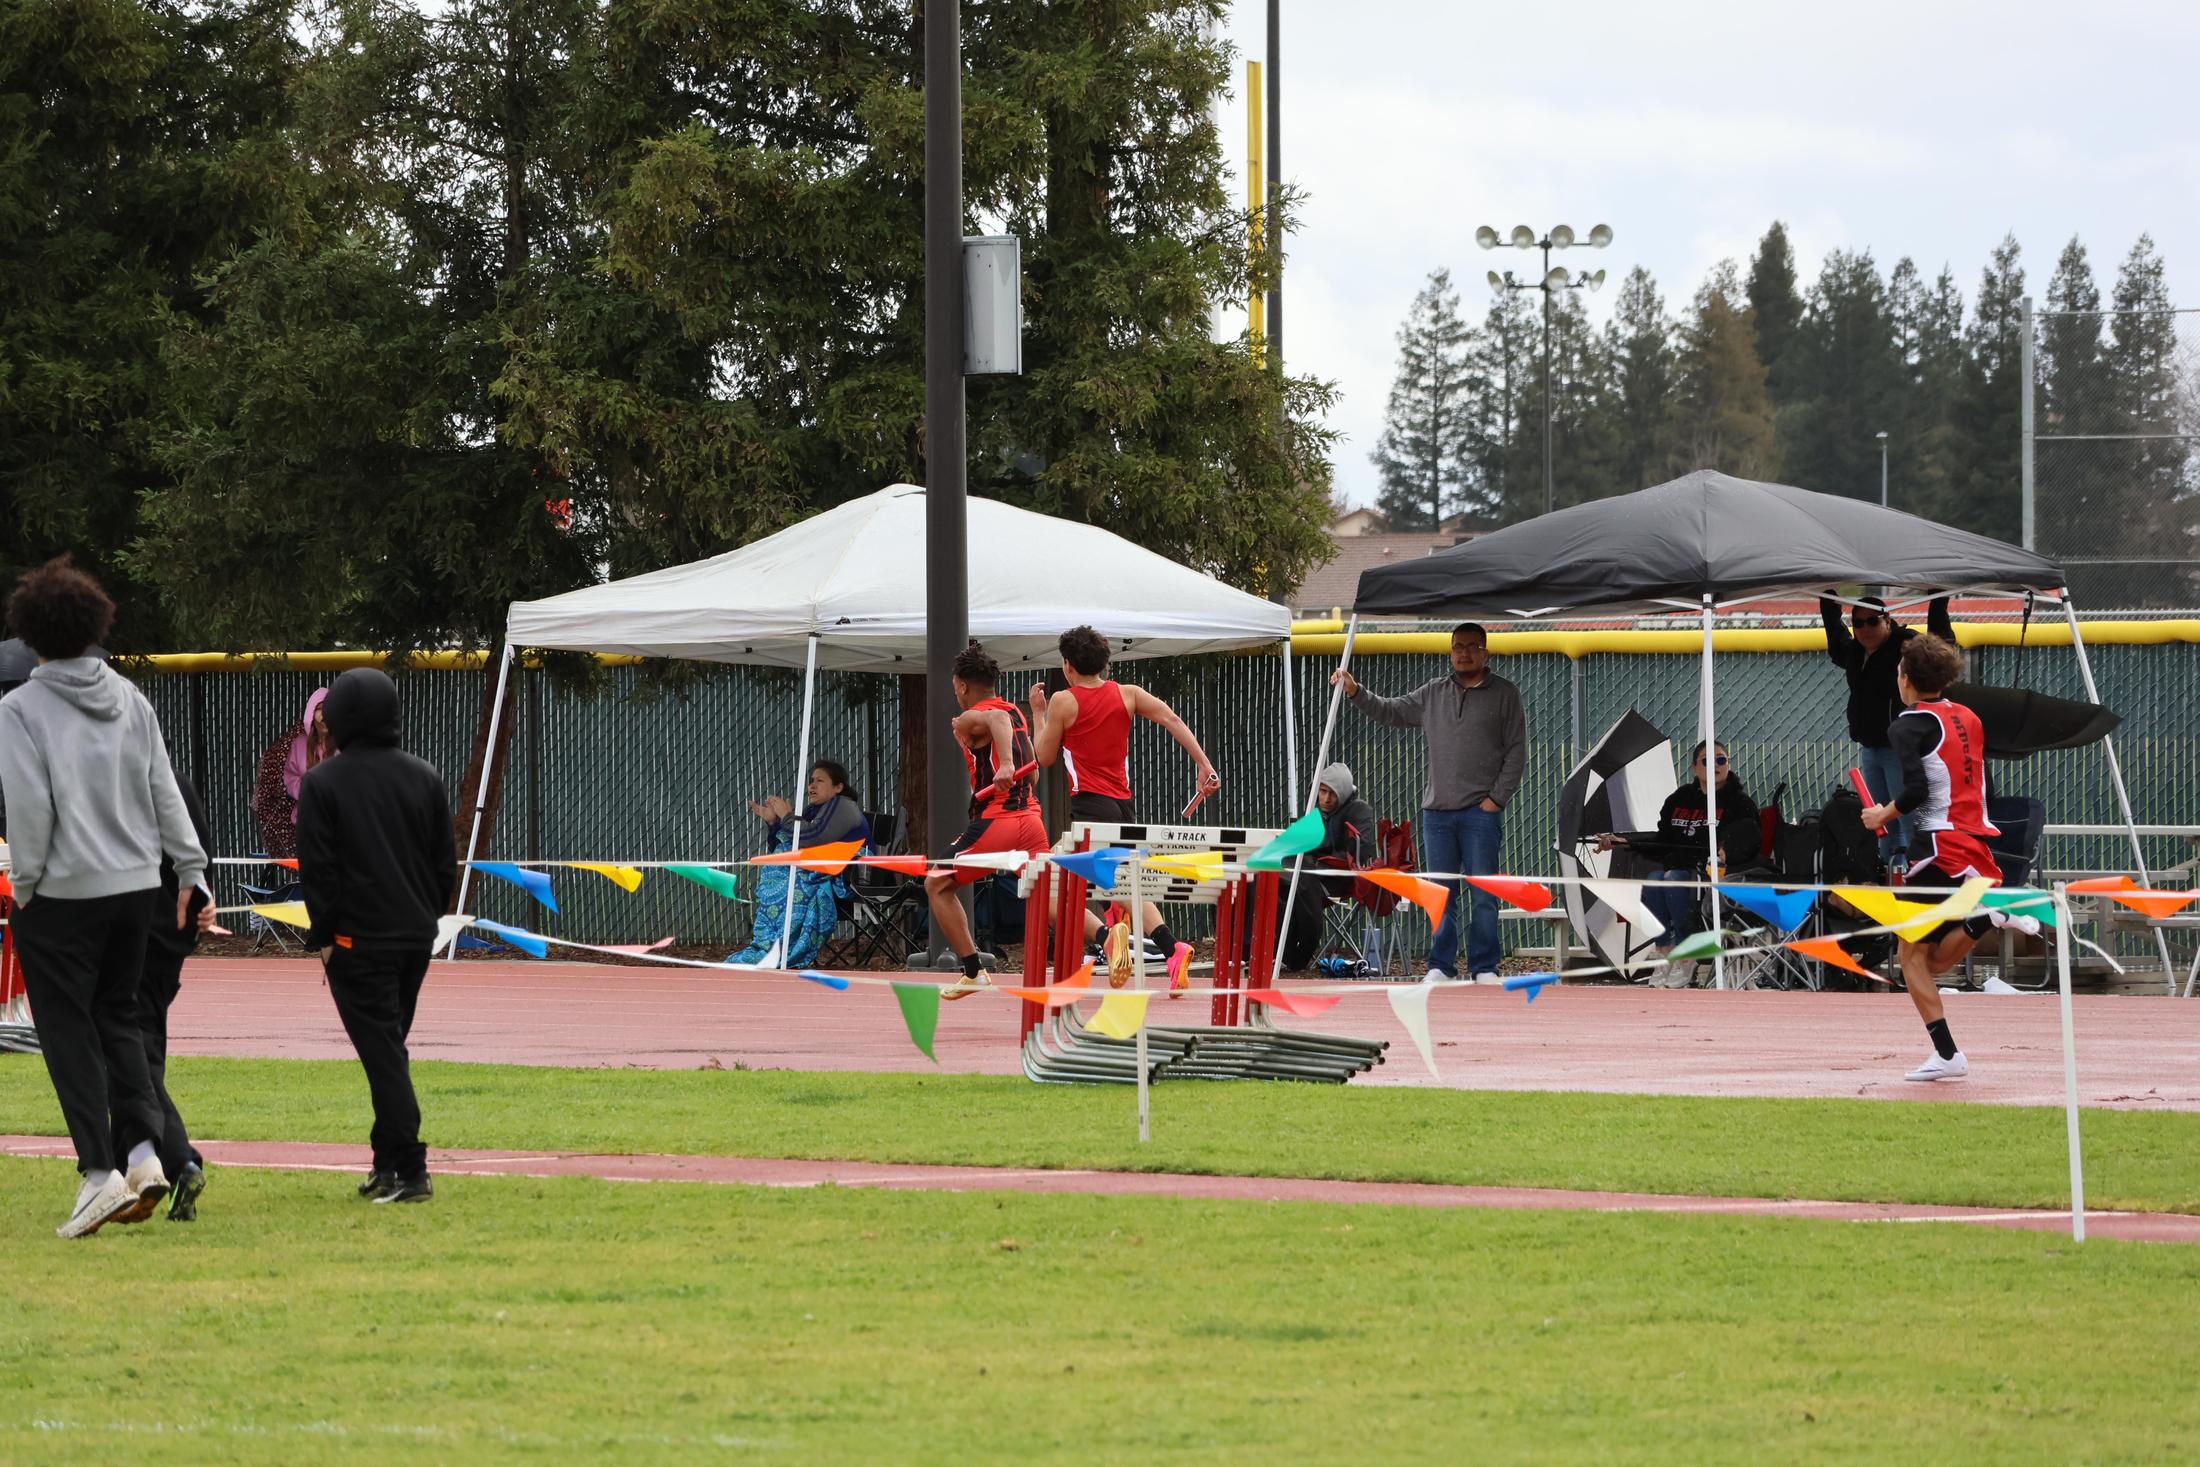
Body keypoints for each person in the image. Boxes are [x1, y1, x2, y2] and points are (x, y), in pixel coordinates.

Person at [0, 557, 207, 1238]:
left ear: (32, 636)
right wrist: (191, 870)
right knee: (119, 1019)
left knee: (66, 1030)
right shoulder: (130, 697)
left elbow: (29, 808)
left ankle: (98, 1174)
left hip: (61, 890)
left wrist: (25, 885)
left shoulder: (19, 708)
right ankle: (144, 1155)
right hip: (134, 888)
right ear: (96, 624)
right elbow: (164, 789)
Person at [297, 667, 457, 1202]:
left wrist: (323, 938)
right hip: (415, 939)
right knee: (388, 1048)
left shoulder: (323, 783)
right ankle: (387, 1163)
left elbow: (319, 871)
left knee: (384, 1054)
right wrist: (427, 917)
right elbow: (443, 866)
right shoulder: (424, 775)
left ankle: (411, 1169)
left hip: (355, 943)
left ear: (338, 716)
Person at [1331, 622, 1526, 984]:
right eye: (1457, 647)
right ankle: (1442, 966)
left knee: (1484, 893)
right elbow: (1389, 710)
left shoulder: (1505, 695)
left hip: (1481, 815)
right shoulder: (1433, 693)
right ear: (1450, 651)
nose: (1464, 653)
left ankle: (1485, 967)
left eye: (1471, 647)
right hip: (1437, 814)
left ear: (1486, 652)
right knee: (1439, 894)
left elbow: (1517, 752)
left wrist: (1496, 800)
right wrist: (1355, 690)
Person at [1028, 625, 1219, 991]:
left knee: (1043, 886)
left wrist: (1039, 713)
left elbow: (1044, 756)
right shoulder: (1127, 694)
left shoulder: (1063, 701)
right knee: (1124, 885)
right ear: (1104, 664)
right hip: (1122, 810)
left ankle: (1106, 938)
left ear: (1067, 665)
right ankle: (1171, 947)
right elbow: (1171, 719)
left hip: (1090, 811)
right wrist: (1204, 765)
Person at [1860, 634, 1999, 1083]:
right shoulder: (1969, 718)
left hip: (1938, 847)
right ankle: (1986, 920)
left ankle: (1947, 1055)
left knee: (1909, 955)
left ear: (1905, 679)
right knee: (1929, 959)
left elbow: (1918, 791)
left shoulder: (1907, 724)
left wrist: (1882, 812)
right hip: (1974, 845)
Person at [120, 767, 217, 1220]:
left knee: (126, 1056)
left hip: (126, 936)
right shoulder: (175, 782)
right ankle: (140, 1163)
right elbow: (199, 854)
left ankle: (176, 1161)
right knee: (146, 1050)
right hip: (170, 938)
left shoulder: (111, 781)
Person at [926, 643, 1047, 1001]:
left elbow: (993, 723)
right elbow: (1035, 775)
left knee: (936, 883)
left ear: (962, 686)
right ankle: (1110, 939)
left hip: (999, 821)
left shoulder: (975, 716)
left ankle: (973, 970)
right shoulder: (1015, 713)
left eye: (954, 688)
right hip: (1032, 818)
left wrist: (1006, 765)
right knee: (1048, 895)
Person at [1596, 741, 1760, 988]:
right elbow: (1662, 840)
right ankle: (1664, 950)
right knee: (1653, 880)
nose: (1715, 765)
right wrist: (1624, 841)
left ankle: (1687, 955)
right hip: (1676, 869)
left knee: (1672, 878)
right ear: (1695, 767)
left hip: (1711, 875)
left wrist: (1727, 849)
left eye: (1721, 760)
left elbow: (1749, 838)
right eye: (1707, 760)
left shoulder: (1740, 802)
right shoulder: (1680, 799)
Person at [1821, 595, 1953, 875]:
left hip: (1899, 748)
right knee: (1881, 821)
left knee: (1907, 815)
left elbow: (1940, 647)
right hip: (1871, 746)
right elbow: (1836, 641)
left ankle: (1918, 872)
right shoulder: (1855, 651)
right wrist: (1828, 599)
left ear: (1888, 621)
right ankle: (1887, 871)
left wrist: (1938, 601)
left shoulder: (1904, 646)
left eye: (1873, 621)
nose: (1865, 628)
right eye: (1858, 623)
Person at [726, 759, 871, 969]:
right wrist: (774, 823)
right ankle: (767, 947)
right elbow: (786, 846)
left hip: (847, 877)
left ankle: (781, 950)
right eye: (811, 781)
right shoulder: (815, 810)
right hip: (818, 871)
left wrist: (786, 816)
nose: (812, 786)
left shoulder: (843, 806)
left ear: (838, 787)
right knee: (778, 882)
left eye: (820, 781)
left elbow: (813, 838)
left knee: (792, 888)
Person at [1252, 762, 1377, 974]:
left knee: (1294, 878)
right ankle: (1281, 951)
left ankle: (1299, 952)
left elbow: (1361, 851)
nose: (1326, 799)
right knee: (1273, 883)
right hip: (1306, 876)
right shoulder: (1315, 814)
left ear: (1344, 792)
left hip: (1337, 879)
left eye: (1332, 793)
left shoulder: (1359, 810)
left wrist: (1315, 859)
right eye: (1322, 791)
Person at [252, 688, 334, 859]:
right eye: (319, 708)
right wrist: (309, 789)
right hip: (306, 821)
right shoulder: (299, 744)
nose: (324, 714)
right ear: (311, 712)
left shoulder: (345, 742)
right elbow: (290, 778)